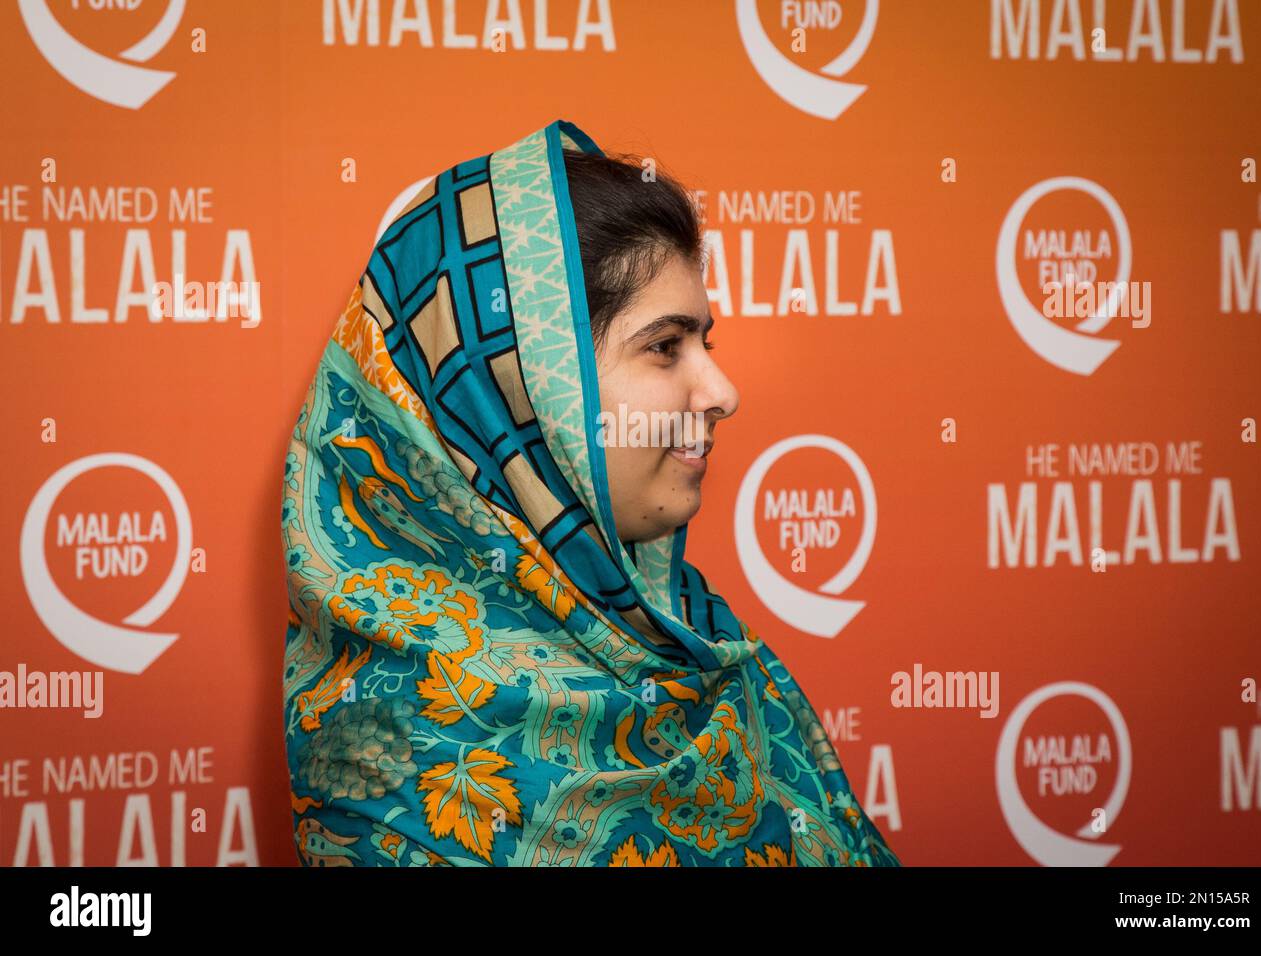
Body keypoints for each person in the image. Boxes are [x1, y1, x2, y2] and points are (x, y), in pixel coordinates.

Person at [280, 118, 901, 867]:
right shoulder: (384, 757)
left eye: (707, 343)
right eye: (665, 347)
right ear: (523, 393)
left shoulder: (692, 637)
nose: (723, 391)